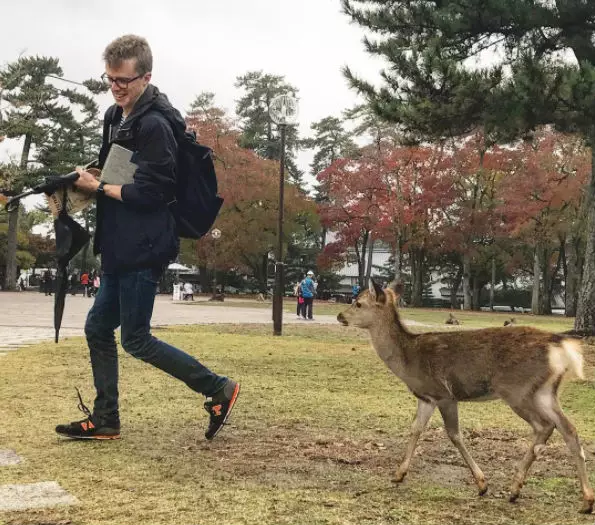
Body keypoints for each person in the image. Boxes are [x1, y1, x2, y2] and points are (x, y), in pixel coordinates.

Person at [55, 35, 239, 441]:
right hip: (120, 242)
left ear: (146, 76)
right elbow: (113, 171)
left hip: (146, 244)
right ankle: (106, 419)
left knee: (135, 339)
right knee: (97, 328)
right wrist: (81, 183)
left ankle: (218, 388)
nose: (116, 87)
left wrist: (98, 188)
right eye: (110, 79)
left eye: (124, 80)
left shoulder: (156, 125)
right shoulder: (114, 116)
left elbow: (153, 192)